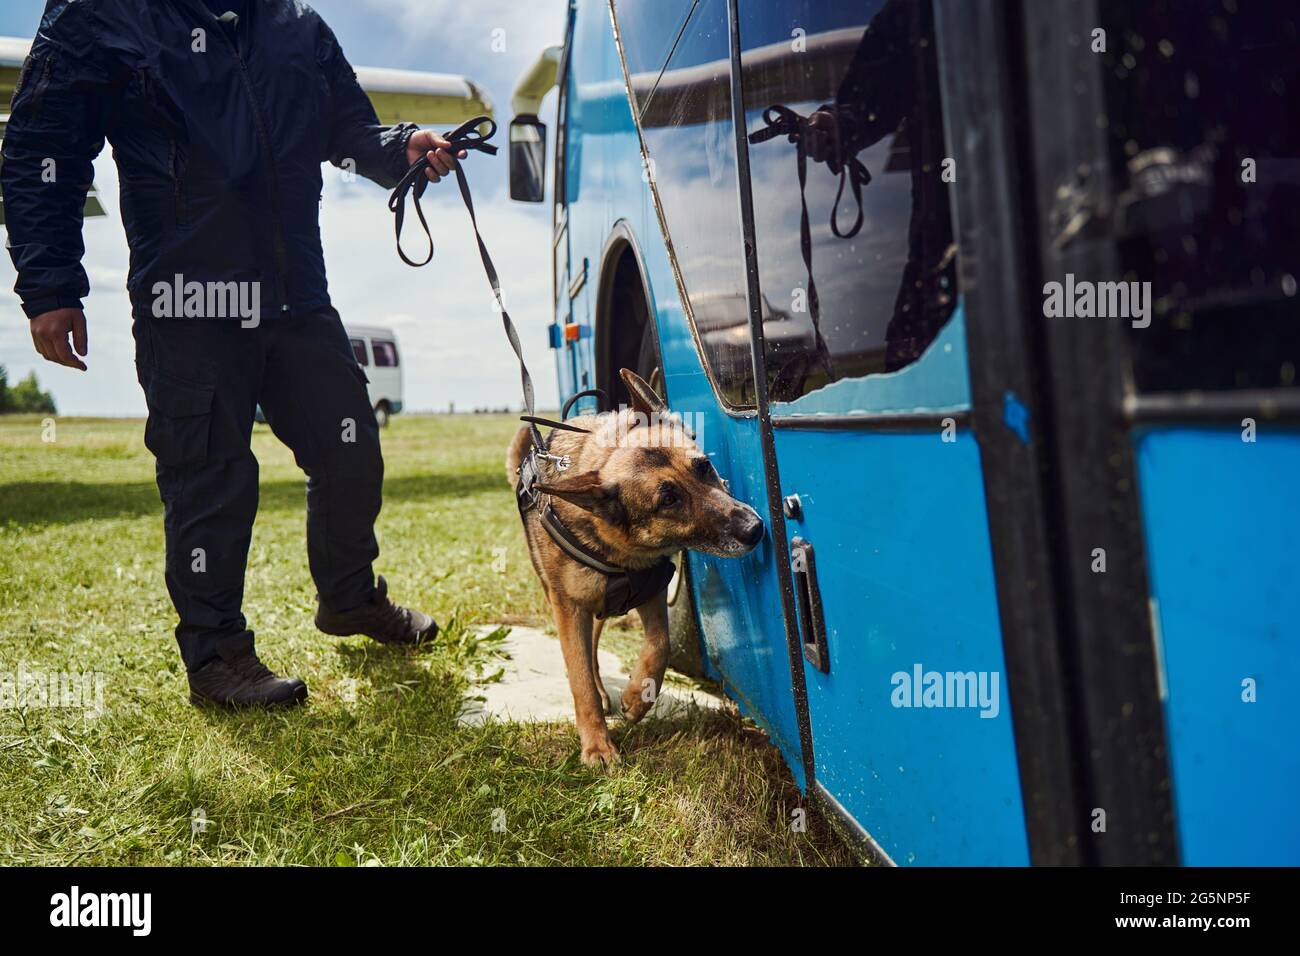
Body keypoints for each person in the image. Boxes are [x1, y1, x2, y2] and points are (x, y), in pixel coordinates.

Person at [2, 0, 466, 708]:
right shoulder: (99, 13)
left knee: (350, 448)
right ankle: (217, 654)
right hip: (189, 298)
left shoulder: (296, 24)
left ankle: (348, 598)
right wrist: (49, 284)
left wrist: (396, 147)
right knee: (209, 477)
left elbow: (345, 126)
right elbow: (43, 146)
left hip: (294, 293)